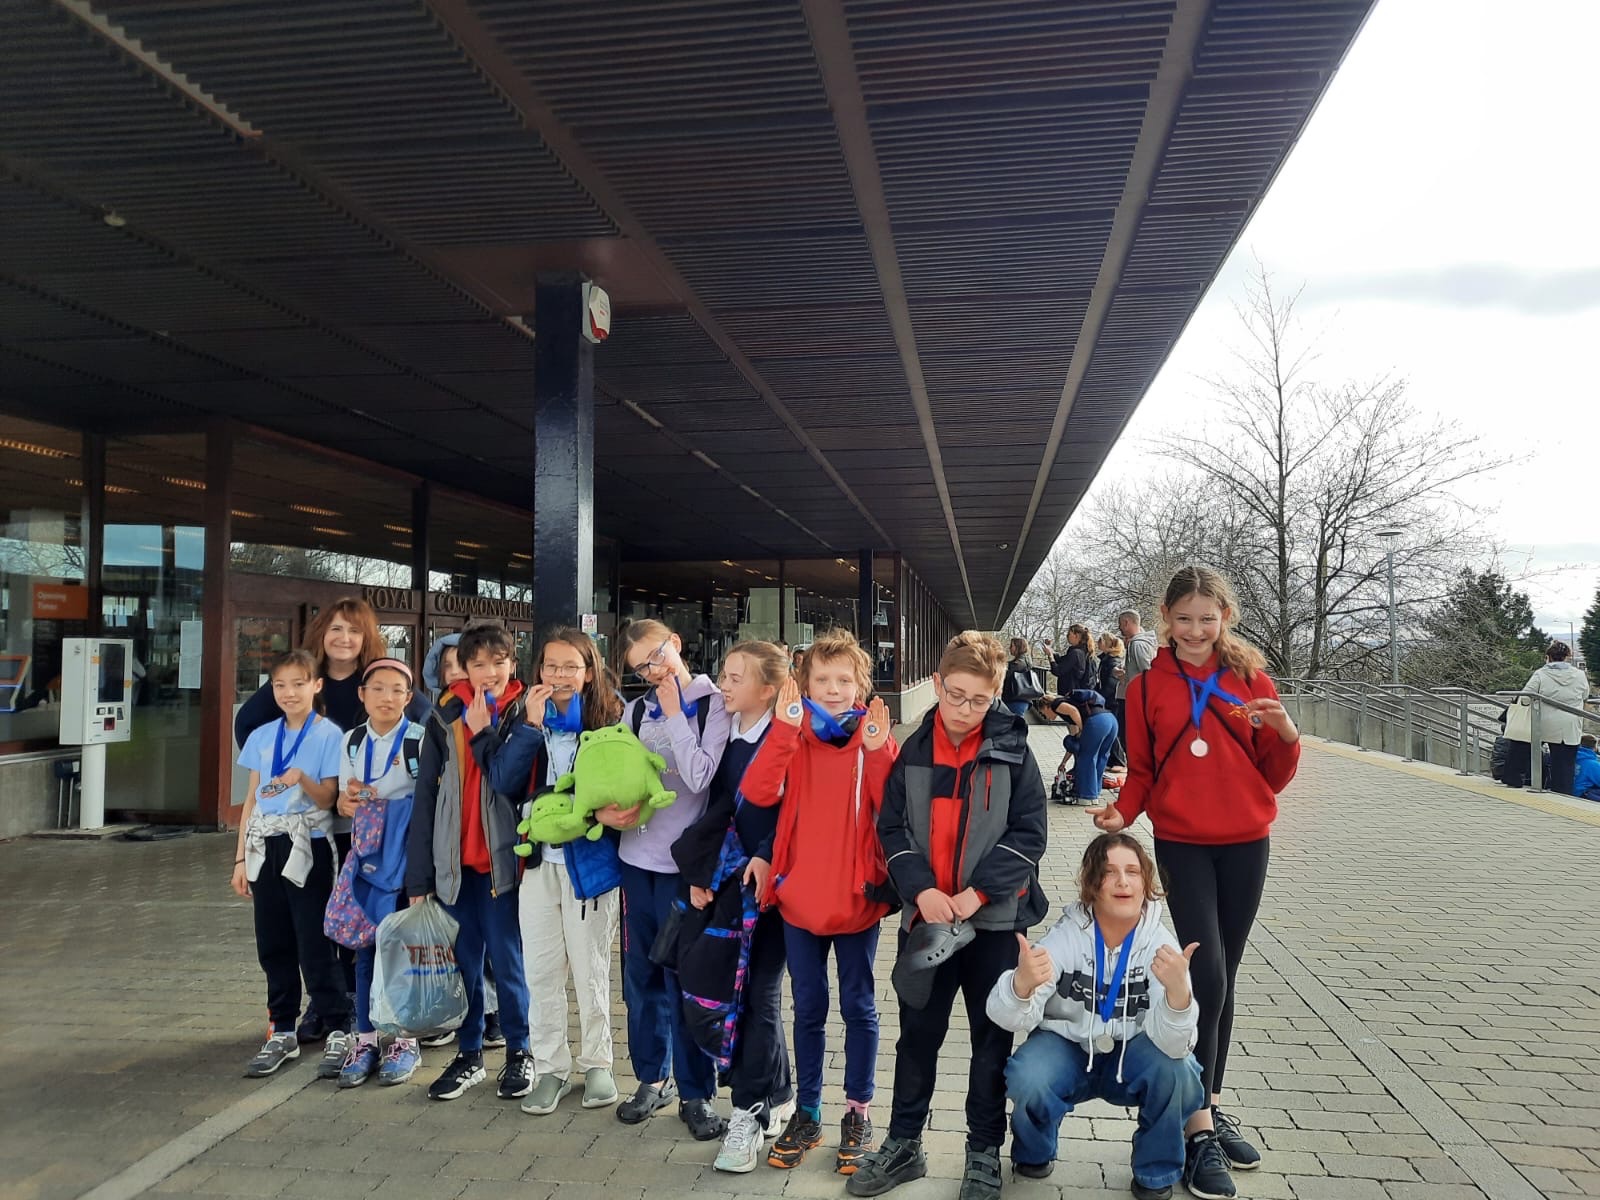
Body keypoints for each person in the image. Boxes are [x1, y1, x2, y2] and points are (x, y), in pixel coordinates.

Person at [1091, 565, 1299, 1200]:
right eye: (1184, 619)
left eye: (1208, 619)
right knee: (1204, 973)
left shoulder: (1248, 676)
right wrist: (1122, 814)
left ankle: (1206, 1095)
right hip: (1181, 842)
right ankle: (1197, 1128)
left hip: (1246, 840)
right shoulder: (1149, 682)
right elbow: (1146, 769)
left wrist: (1288, 733)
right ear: (1165, 618)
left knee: (1224, 975)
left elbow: (1274, 769)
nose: (1196, 629)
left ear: (1225, 618)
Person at [849, 632, 1048, 1200]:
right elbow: (892, 830)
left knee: (991, 1040)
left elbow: (1029, 833)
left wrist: (978, 894)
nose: (965, 711)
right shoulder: (912, 749)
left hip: (994, 924)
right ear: (936, 685)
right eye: (956, 696)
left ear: (997, 694)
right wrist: (924, 891)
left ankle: (983, 1149)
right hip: (928, 920)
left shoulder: (1015, 750)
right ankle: (905, 1144)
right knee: (917, 1038)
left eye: (978, 701)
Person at [236, 598, 430, 1043]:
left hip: (370, 829)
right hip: (316, 828)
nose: (344, 639)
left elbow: (423, 722)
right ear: (320, 634)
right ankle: (328, 1006)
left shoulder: (377, 680)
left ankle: (368, 1006)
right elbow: (250, 726)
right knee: (324, 920)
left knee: (365, 916)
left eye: (354, 631)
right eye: (336, 630)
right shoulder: (301, 681)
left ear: (368, 638)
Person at [739, 627, 896, 1175]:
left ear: (860, 684)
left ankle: (858, 1111)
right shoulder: (794, 733)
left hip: (856, 901)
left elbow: (891, 806)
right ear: (804, 682)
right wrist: (783, 733)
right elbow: (759, 792)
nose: (833, 689)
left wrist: (878, 751)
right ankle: (807, 1111)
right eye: (822, 679)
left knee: (859, 1007)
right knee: (807, 1009)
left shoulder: (872, 735)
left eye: (844, 680)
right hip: (800, 902)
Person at [989, 834, 1204, 1200]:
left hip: (1133, 1055)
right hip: (1069, 1048)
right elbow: (1006, 1017)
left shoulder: (1161, 947)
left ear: (1146, 883)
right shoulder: (1067, 937)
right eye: (1109, 872)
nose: (1123, 881)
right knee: (1029, 1075)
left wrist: (1178, 998)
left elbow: (1176, 1044)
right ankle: (1035, 1150)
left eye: (1133, 872)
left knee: (1180, 1073)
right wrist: (1020, 986)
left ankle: (1156, 1169)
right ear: (1092, 884)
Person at [486, 628, 626, 1116]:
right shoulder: (523, 714)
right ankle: (550, 1067)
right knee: (541, 971)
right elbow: (502, 780)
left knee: (590, 970)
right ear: (538, 670)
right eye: (551, 665)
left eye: (571, 666)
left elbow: (626, 788)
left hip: (589, 865)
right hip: (535, 864)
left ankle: (598, 1065)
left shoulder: (611, 716)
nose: (560, 675)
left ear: (590, 671)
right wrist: (529, 725)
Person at [672, 640, 796, 1173]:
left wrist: (767, 858)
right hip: (731, 888)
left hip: (778, 890)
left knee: (758, 998)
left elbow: (790, 814)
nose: (723, 685)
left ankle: (747, 1113)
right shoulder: (729, 737)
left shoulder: (788, 739)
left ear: (767, 690)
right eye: (724, 674)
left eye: (736, 677)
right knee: (726, 991)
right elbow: (722, 809)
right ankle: (780, 1089)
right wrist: (699, 874)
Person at [405, 623, 537, 1102]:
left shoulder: (526, 712)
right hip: (454, 865)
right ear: (463, 667)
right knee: (464, 964)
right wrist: (418, 875)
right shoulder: (443, 717)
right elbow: (424, 799)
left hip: (505, 867)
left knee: (508, 962)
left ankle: (520, 1051)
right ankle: (469, 1053)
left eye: (498, 662)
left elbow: (513, 782)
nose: (489, 672)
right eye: (477, 663)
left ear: (512, 664)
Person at [614, 618, 731, 1140]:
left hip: (685, 871)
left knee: (685, 980)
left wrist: (675, 713)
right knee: (641, 978)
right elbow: (617, 773)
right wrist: (607, 811)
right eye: (641, 666)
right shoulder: (633, 710)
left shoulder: (712, 703)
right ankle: (649, 1077)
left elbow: (701, 774)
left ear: (676, 644)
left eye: (657, 655)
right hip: (635, 862)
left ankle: (696, 1091)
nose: (653, 670)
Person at [231, 650, 350, 1077]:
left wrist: (302, 778)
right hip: (266, 844)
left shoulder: (329, 734)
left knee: (314, 938)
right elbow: (251, 800)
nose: (289, 693)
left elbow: (331, 800)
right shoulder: (263, 736)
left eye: (299, 683)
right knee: (273, 939)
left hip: (311, 842)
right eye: (280, 685)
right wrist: (241, 857)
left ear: (316, 686)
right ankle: (281, 1027)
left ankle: (338, 1024)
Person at [330, 658, 423, 1088]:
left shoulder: (420, 740)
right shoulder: (350, 742)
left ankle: (404, 1040)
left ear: (409, 697)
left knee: (404, 950)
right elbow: (344, 801)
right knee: (365, 949)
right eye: (378, 689)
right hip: (368, 862)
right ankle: (366, 1038)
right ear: (362, 694)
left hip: (408, 865)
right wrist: (344, 804)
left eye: (397, 690)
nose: (387, 698)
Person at [1524, 641, 1590, 795]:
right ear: (1567, 656)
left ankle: (1539, 786)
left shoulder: (1541, 674)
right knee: (1567, 764)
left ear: (1548, 657)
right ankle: (1564, 794)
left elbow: (1526, 696)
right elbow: (1585, 695)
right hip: (1571, 724)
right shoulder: (1579, 675)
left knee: (1542, 757)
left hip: (1545, 723)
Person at [1043, 689, 1119, 806]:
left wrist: (1083, 729)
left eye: (1044, 713)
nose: (1046, 717)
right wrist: (1063, 762)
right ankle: (1095, 792)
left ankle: (1086, 797)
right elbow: (1074, 737)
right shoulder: (1072, 705)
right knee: (1100, 757)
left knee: (1086, 758)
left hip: (1096, 722)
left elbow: (1073, 711)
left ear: (1046, 707)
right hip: (1110, 720)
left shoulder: (1056, 704)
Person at [1113, 610, 1158, 753]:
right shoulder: (1139, 643)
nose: (1120, 629)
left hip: (1138, 699)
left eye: (1120, 624)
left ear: (1126, 623)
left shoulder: (1137, 645)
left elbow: (1148, 672)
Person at [1001, 637, 1042, 718]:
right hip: (1022, 699)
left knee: (1015, 725)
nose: (1010, 648)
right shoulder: (1026, 660)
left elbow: (1006, 676)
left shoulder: (1018, 663)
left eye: (1012, 646)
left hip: (1015, 699)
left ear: (1018, 647)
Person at [1050, 625, 1096, 696]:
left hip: (1070, 693)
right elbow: (1064, 661)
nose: (1067, 636)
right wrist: (1052, 652)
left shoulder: (1075, 653)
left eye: (1069, 634)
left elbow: (1058, 670)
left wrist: (1050, 657)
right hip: (1077, 692)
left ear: (1076, 635)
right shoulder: (1084, 651)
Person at [1574, 733, 1600, 800]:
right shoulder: (1593, 764)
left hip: (1568, 790)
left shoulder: (1572, 758)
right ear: (1595, 747)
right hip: (1581, 794)